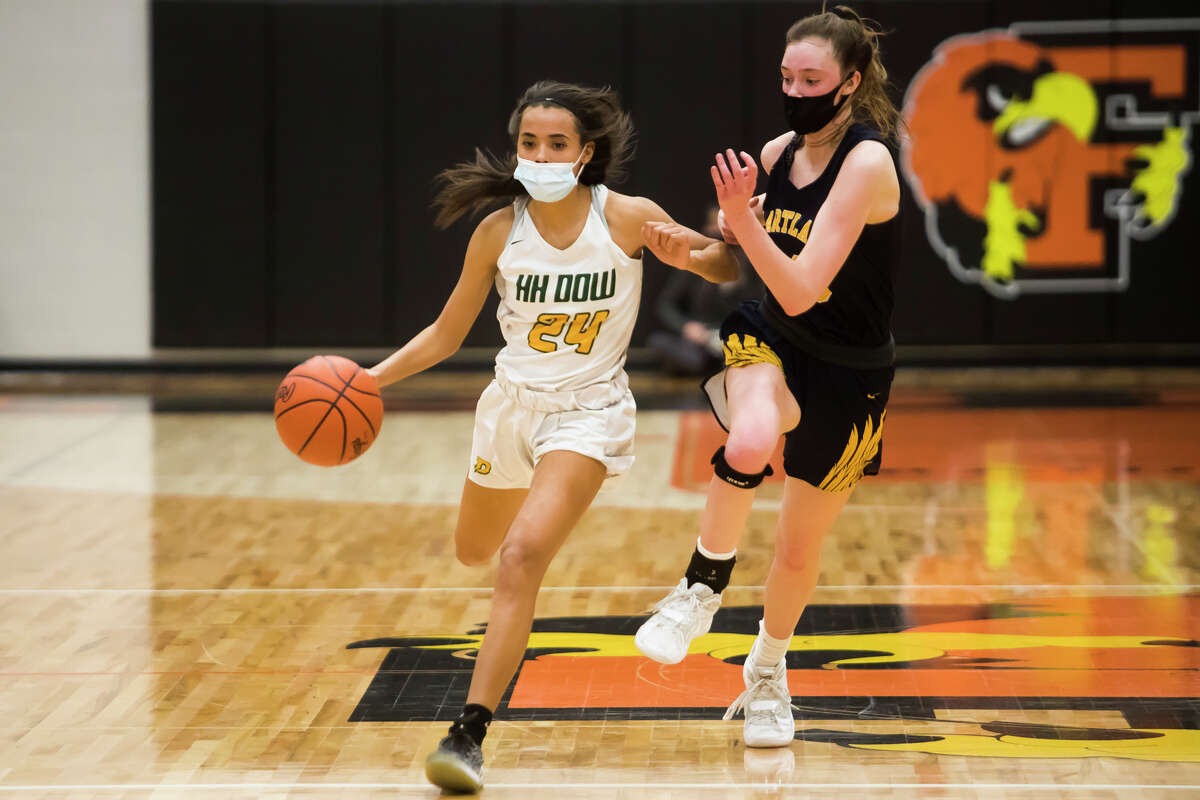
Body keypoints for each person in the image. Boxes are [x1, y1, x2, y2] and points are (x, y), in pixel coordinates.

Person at [367, 80, 738, 793]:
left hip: (588, 412)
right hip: (509, 409)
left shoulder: (627, 217)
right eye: (529, 143)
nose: (539, 154)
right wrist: (368, 380)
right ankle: (476, 705)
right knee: (473, 551)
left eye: (556, 143)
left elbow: (726, 266)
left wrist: (696, 251)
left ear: (586, 153)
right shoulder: (497, 231)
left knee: (519, 557)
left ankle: (467, 733)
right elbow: (447, 334)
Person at [634, 5, 903, 748]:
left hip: (852, 369)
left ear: (849, 83)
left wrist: (739, 221)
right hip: (775, 339)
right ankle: (697, 590)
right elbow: (750, 272)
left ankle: (767, 673)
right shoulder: (778, 151)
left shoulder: (869, 163)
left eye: (811, 78)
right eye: (786, 76)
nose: (795, 89)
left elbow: (803, 282)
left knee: (796, 548)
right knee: (750, 436)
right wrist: (698, 247)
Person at [647, 206, 763, 376]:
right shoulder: (693, 262)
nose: (724, 241)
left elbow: (761, 304)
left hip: (737, 338)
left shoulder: (753, 264)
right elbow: (666, 303)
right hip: (702, 339)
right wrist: (686, 327)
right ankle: (716, 367)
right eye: (718, 234)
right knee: (660, 342)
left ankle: (728, 364)